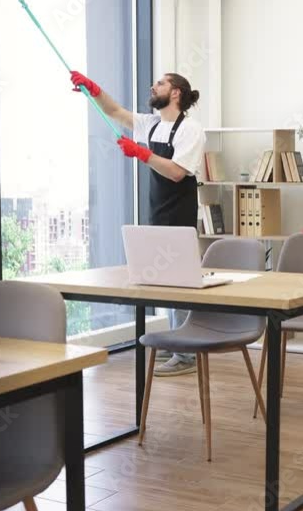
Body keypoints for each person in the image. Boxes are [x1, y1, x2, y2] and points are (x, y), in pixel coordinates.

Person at [69, 70, 207, 376]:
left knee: (180, 284)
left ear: (175, 93)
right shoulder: (151, 123)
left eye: (160, 83)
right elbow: (115, 111)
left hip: (179, 214)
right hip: (157, 212)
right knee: (163, 283)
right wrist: (93, 89)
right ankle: (176, 345)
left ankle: (186, 355)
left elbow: (176, 172)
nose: (152, 86)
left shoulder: (191, 129)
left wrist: (142, 154)